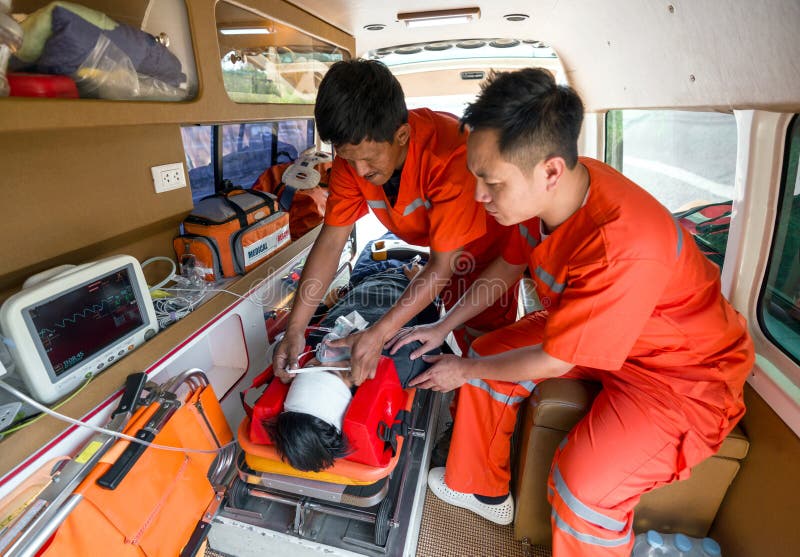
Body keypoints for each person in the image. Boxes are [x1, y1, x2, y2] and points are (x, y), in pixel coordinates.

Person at [390, 68, 754, 556]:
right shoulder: (549, 203)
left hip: (681, 376)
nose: (478, 195)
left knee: (582, 491)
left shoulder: (621, 242)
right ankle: (480, 488)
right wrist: (442, 327)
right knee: (484, 352)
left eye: (490, 182)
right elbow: (506, 268)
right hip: (604, 337)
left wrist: (463, 369)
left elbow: (555, 361)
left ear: (551, 170)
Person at [272, 59, 516, 389]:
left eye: (369, 160)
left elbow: (443, 266)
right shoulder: (353, 159)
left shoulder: (450, 156)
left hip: (487, 257)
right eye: (347, 158)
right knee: (440, 334)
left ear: (401, 135)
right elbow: (332, 241)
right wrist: (295, 328)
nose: (358, 171)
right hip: (439, 256)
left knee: (479, 352)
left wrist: (379, 333)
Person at [266, 253, 438, 472]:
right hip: (410, 278)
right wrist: (418, 281)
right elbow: (432, 324)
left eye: (312, 366)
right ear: (351, 386)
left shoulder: (307, 344)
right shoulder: (402, 362)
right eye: (332, 372)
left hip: (363, 273)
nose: (327, 355)